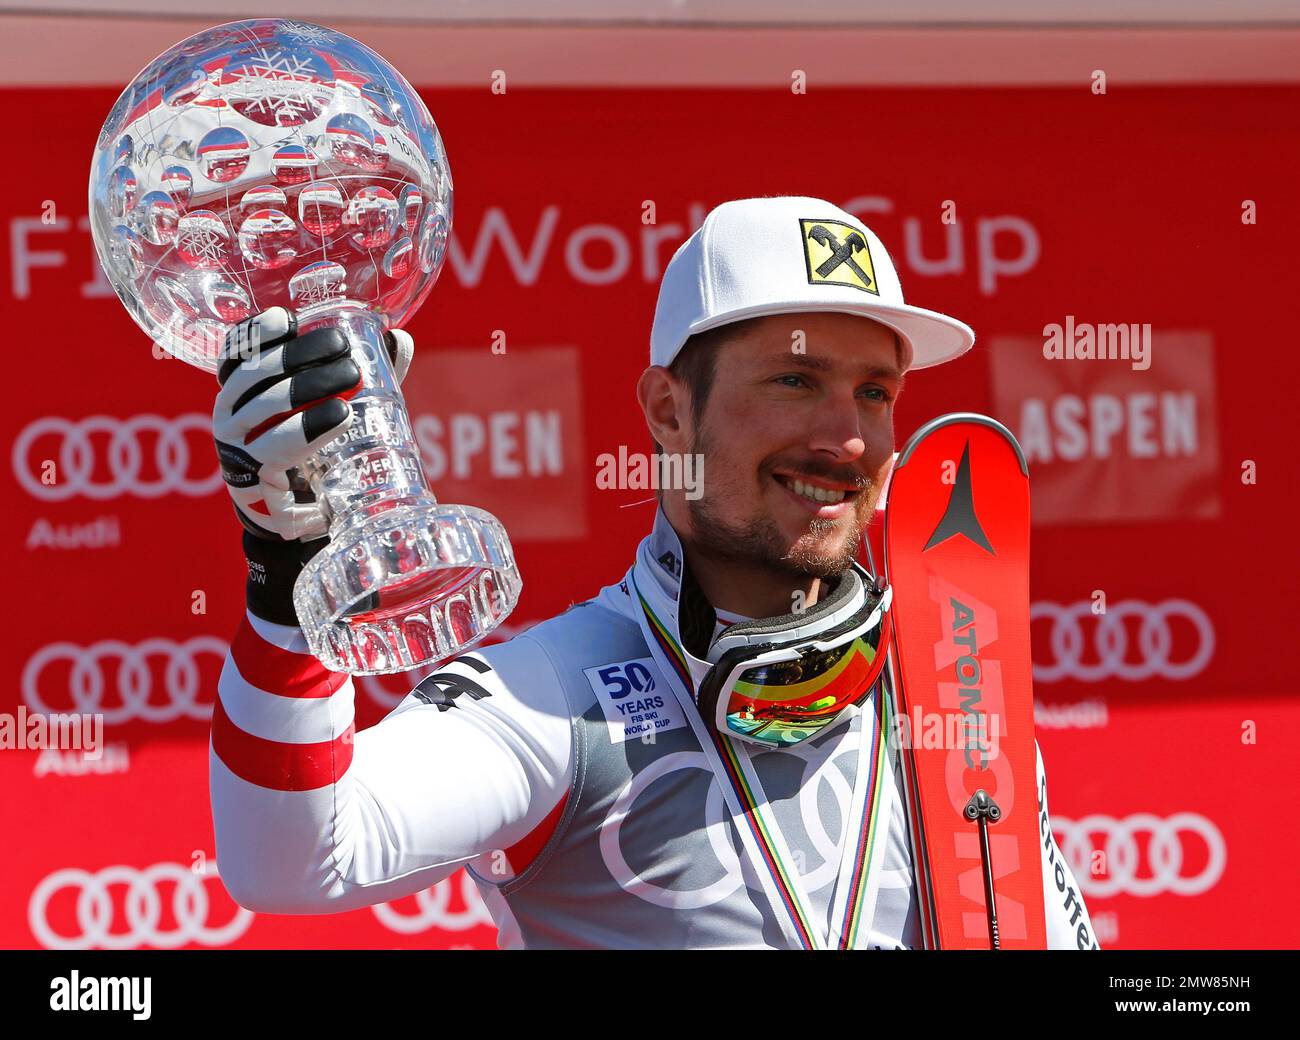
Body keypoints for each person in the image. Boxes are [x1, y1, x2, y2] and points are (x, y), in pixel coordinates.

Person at [209, 196, 1098, 950]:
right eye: (796, 380)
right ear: (669, 413)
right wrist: (288, 575)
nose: (848, 439)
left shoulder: (955, 685)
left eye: (875, 391)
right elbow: (293, 859)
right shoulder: (557, 695)